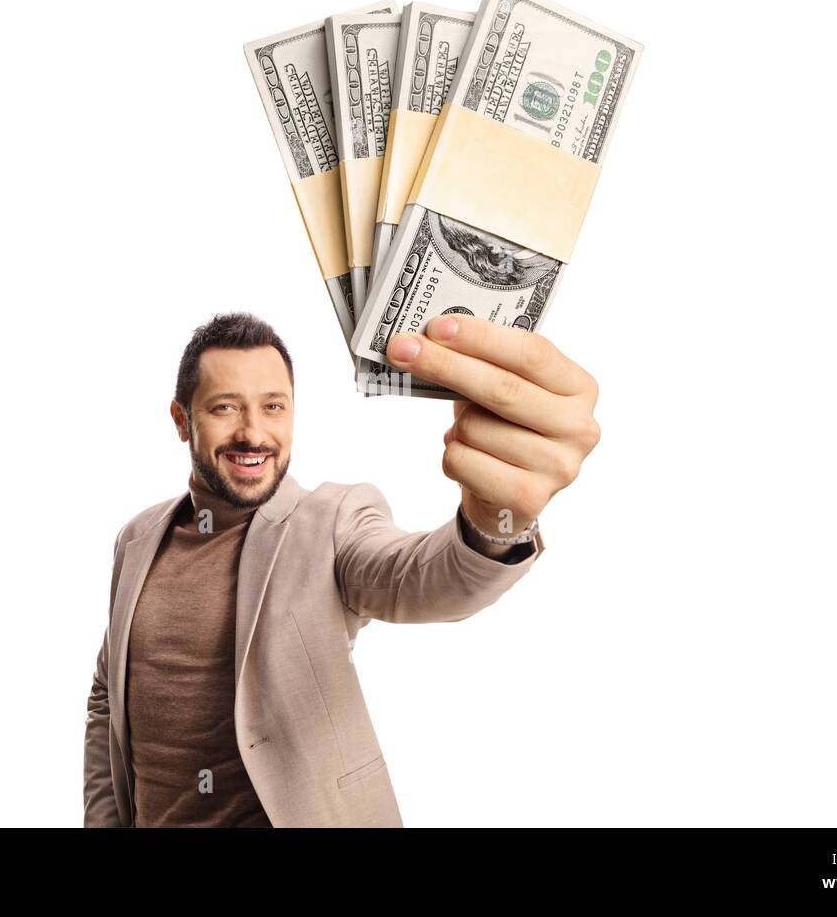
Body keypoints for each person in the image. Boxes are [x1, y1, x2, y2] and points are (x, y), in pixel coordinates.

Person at [83, 310, 600, 826]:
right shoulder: (138, 538)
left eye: (273, 407)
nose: (253, 433)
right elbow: (107, 696)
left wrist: (494, 521)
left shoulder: (331, 521)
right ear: (181, 420)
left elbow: (425, 579)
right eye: (225, 408)